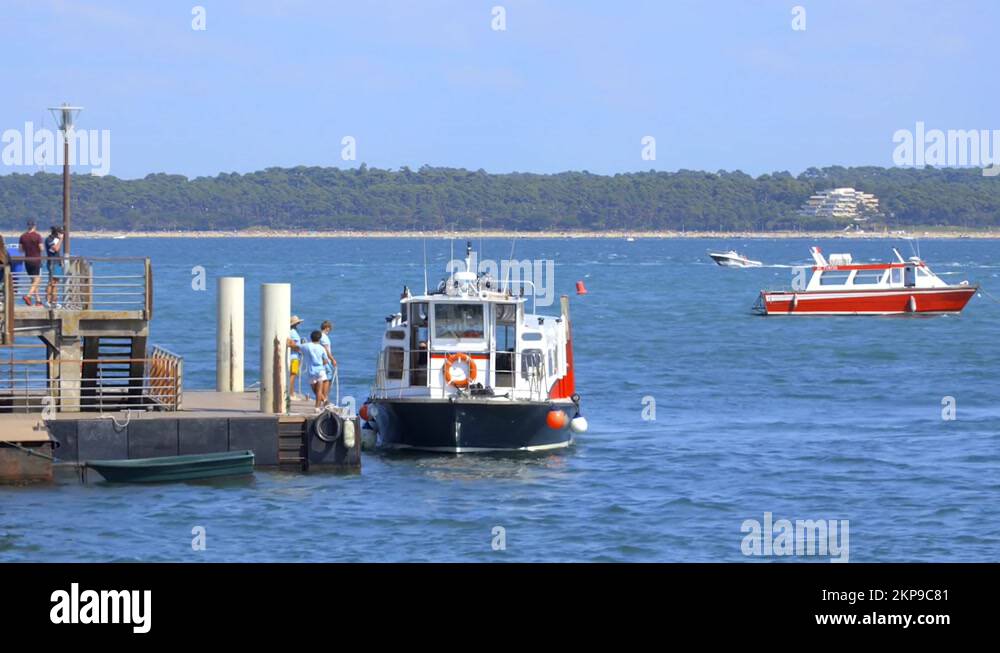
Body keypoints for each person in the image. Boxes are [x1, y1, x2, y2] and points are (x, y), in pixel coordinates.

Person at [300, 330, 332, 411]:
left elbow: (297, 347)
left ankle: (320, 404)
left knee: (315, 389)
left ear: (311, 337)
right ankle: (320, 405)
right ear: (319, 338)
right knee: (318, 390)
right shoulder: (322, 348)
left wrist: (289, 344)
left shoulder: (306, 346)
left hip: (311, 371)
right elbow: (326, 360)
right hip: (320, 370)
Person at [18, 220, 44, 306]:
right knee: (37, 280)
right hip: (36, 260)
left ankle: (38, 301)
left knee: (33, 281)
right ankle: (28, 296)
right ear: (34, 226)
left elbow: (20, 250)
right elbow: (41, 248)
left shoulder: (22, 236)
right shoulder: (37, 236)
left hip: (27, 260)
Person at [318, 320, 338, 403]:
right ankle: (325, 397)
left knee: (324, 379)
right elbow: (326, 350)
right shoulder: (324, 337)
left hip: (322, 360)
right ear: (327, 328)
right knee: (327, 379)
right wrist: (332, 359)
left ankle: (323, 397)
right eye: (329, 329)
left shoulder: (319, 336)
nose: (330, 330)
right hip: (326, 361)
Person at [44, 226, 63, 307]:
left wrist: (61, 261)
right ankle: (47, 300)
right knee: (51, 282)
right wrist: (61, 239)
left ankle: (54, 301)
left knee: (56, 283)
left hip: (57, 263)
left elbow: (57, 251)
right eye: (60, 233)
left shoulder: (56, 240)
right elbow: (55, 248)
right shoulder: (49, 239)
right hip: (52, 263)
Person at [288, 315, 304, 400]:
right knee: (293, 375)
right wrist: (300, 349)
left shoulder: (290, 331)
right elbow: (292, 344)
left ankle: (291, 392)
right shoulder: (293, 332)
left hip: (293, 356)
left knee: (292, 374)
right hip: (294, 357)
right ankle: (290, 394)